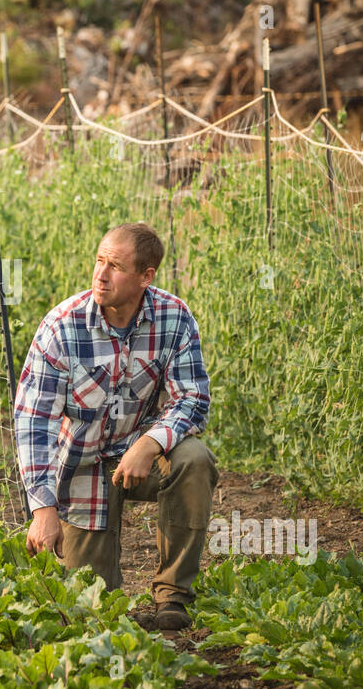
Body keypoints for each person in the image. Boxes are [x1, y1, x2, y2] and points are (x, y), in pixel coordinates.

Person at [14, 221, 218, 631]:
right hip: (82, 468)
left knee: (194, 459)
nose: (101, 275)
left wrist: (150, 443)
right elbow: (34, 423)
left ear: (146, 276)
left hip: (140, 458)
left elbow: (193, 399)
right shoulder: (63, 327)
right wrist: (44, 509)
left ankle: (173, 595)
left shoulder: (174, 318)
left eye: (116, 266)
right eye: (99, 261)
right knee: (90, 608)